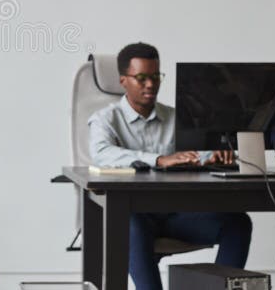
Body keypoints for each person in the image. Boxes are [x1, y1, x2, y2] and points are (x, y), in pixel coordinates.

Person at [87, 42, 252, 290]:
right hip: (134, 215)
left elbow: (197, 151)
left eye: (155, 76)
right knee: (129, 225)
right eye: (141, 78)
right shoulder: (105, 119)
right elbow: (102, 154)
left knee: (238, 223)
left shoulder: (177, 118)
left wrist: (214, 155)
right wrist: (159, 159)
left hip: (176, 213)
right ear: (123, 80)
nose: (151, 84)